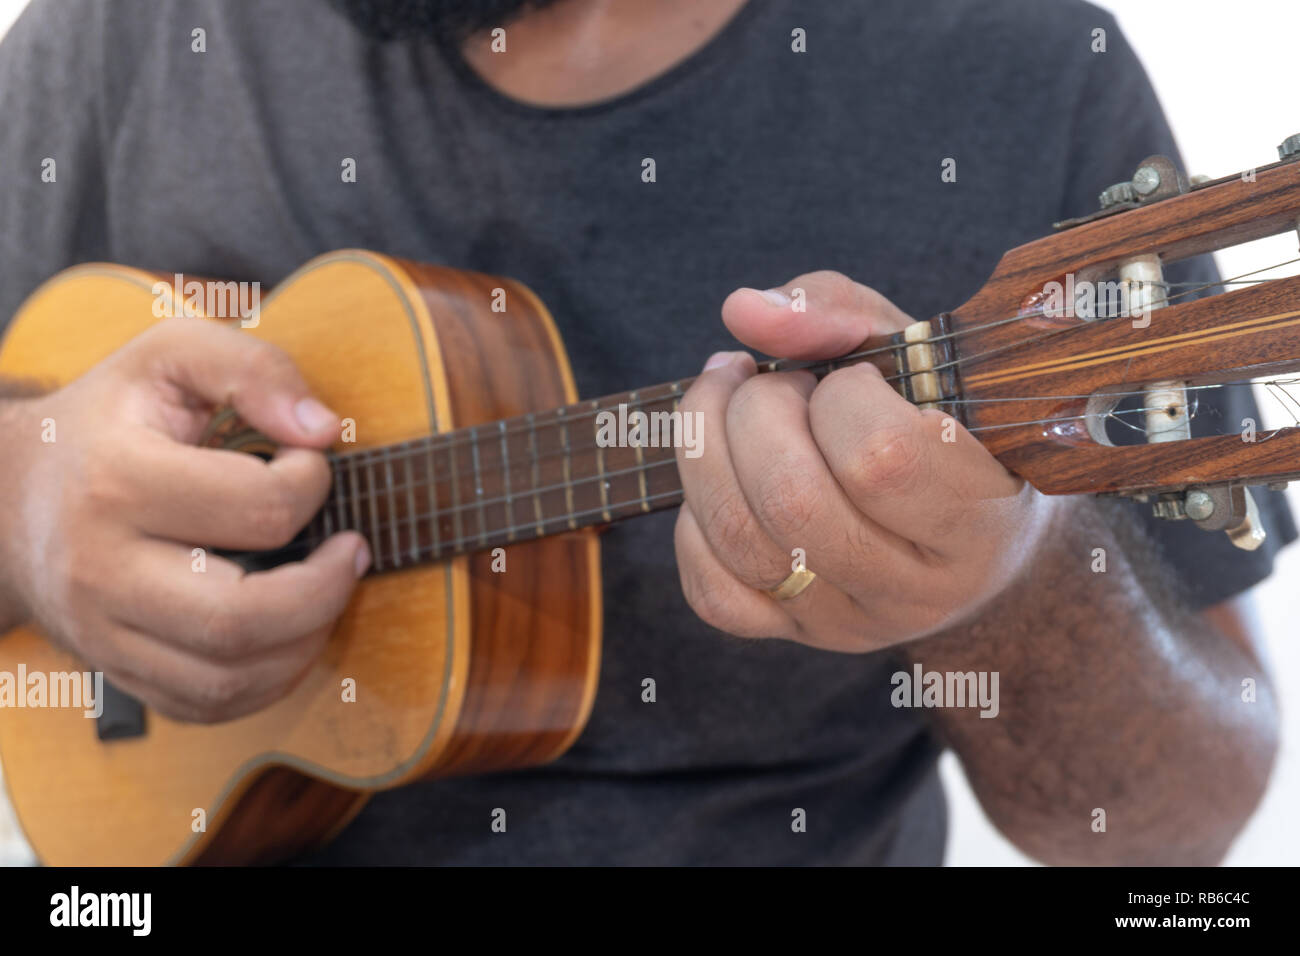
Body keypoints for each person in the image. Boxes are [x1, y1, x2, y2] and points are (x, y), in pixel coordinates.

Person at [0, 0, 1288, 865]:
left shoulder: (1024, 67)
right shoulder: (108, 39)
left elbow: (1180, 822)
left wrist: (1012, 589)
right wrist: (28, 505)